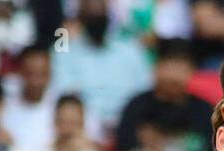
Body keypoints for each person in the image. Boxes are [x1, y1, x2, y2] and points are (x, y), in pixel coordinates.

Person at [51, 0, 154, 133]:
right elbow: (65, 98)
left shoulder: (132, 51)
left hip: (130, 130)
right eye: (91, 12)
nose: (96, 14)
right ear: (79, 15)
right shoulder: (64, 53)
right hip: (84, 132)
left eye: (101, 10)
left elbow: (145, 94)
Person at [115, 37, 215, 151]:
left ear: (192, 71)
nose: (174, 76)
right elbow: (124, 146)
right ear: (156, 67)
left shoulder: (204, 110)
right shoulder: (137, 105)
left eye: (181, 68)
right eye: (169, 66)